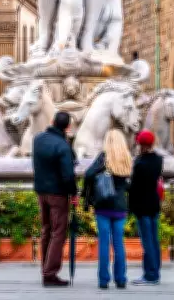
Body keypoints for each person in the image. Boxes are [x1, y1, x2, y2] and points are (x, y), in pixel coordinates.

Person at [83, 128, 132, 290]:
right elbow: (130, 185)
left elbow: (88, 174)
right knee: (119, 243)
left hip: (103, 206)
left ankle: (104, 280)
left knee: (104, 243)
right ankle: (121, 279)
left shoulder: (104, 158)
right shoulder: (126, 158)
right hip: (120, 207)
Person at [32, 111, 78, 287]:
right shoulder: (63, 146)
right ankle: (50, 273)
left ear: (52, 121)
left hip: (41, 192)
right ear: (67, 127)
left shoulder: (38, 140)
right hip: (58, 194)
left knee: (46, 229)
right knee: (58, 232)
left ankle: (45, 267)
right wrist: (73, 193)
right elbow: (68, 176)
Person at [129, 129, 163, 286]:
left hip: (142, 206)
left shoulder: (139, 163)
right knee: (154, 239)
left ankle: (150, 274)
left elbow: (134, 187)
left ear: (140, 145)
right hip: (154, 204)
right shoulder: (158, 160)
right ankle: (156, 270)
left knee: (147, 241)